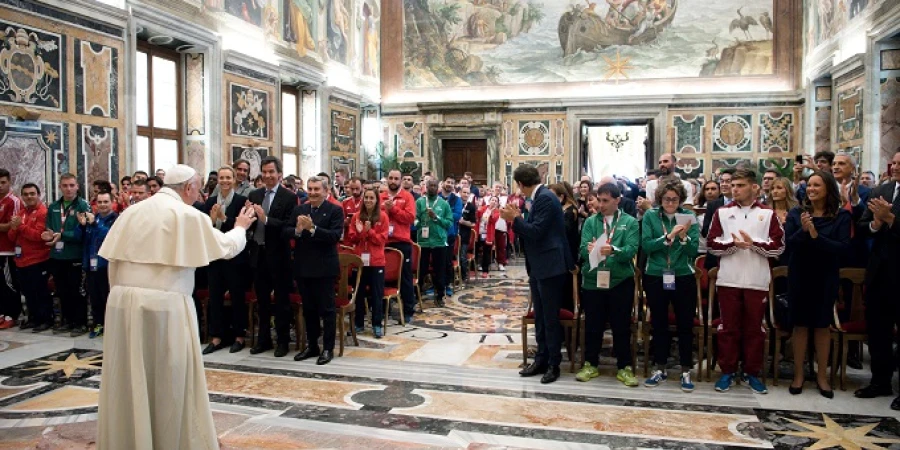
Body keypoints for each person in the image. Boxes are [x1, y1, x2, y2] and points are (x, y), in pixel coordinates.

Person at [97, 164, 255, 450]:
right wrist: (241, 228)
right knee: (168, 381)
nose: (200, 195)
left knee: (129, 378)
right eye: (197, 189)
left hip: (121, 304)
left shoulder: (131, 212)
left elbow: (113, 262)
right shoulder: (187, 214)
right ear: (188, 188)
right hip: (164, 306)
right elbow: (225, 248)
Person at [707, 168, 784, 395]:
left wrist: (754, 245)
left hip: (756, 280)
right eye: (733, 185)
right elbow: (711, 244)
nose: (735, 189)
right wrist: (732, 245)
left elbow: (778, 246)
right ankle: (727, 371)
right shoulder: (722, 212)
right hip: (729, 279)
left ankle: (752, 372)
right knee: (728, 328)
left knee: (754, 330)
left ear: (754, 187)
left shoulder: (768, 214)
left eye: (740, 185)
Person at [501, 165, 574, 384]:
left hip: (550, 266)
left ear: (521, 184)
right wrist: (520, 217)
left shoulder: (544, 198)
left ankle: (553, 363)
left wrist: (515, 219)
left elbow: (536, 232)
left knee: (549, 318)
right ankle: (541, 359)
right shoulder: (542, 197)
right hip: (541, 266)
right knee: (541, 317)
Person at [783, 170, 849, 398]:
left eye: (816, 185)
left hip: (825, 276)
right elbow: (788, 244)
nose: (811, 189)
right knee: (800, 326)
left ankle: (822, 376)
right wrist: (804, 231)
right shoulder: (796, 213)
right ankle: (799, 374)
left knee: (822, 326)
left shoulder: (840, 217)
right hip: (800, 274)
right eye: (809, 185)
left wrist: (815, 235)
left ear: (828, 189)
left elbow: (842, 248)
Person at [575, 186, 640, 387]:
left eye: (605, 201)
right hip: (594, 281)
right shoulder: (590, 222)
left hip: (620, 281)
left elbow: (630, 250)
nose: (600, 205)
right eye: (599, 200)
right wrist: (590, 251)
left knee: (621, 326)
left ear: (617, 200)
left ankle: (624, 367)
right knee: (593, 325)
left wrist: (614, 250)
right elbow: (582, 250)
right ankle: (590, 364)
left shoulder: (629, 222)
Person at [641, 180, 700, 392]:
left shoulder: (688, 217)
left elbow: (694, 251)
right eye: (667, 199)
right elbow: (647, 246)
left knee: (685, 323)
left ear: (681, 200)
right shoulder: (650, 216)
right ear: (660, 199)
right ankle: (660, 367)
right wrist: (668, 237)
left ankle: (685, 369)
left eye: (675, 199)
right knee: (659, 323)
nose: (670, 203)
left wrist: (683, 237)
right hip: (656, 274)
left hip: (683, 275)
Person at [854, 149, 900, 410]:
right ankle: (880, 381)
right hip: (879, 272)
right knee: (879, 331)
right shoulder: (880, 191)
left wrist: (891, 218)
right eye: (892, 163)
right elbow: (861, 227)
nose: (894, 167)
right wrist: (875, 224)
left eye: (899, 164)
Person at [288, 176, 343, 365]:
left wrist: (313, 229)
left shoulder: (335, 210)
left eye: (316, 189)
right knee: (309, 310)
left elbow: (335, 236)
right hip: (303, 267)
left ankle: (328, 348)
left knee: (327, 310)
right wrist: (296, 230)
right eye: (309, 189)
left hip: (324, 268)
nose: (312, 193)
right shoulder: (300, 209)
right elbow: (286, 232)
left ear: (326, 191)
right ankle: (312, 345)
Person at [247, 157, 297, 357]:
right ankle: (264, 339)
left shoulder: (289, 197)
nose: (267, 176)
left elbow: (287, 227)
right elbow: (251, 223)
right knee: (262, 301)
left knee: (282, 301)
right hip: (258, 254)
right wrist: (249, 218)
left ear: (279, 175)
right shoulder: (255, 194)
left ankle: (282, 341)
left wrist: (265, 219)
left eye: (271, 172)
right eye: (264, 172)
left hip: (279, 256)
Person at [202, 166, 250, 355]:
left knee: (237, 296)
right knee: (215, 296)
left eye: (228, 177)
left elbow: (243, 228)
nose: (224, 181)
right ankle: (216, 336)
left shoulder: (240, 201)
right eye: (221, 178)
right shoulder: (211, 201)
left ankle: (239, 336)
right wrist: (212, 220)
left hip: (235, 256)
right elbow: (205, 228)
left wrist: (225, 218)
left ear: (234, 180)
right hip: (215, 256)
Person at [44, 174, 91, 336]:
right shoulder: (54, 206)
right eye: (65, 185)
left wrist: (62, 235)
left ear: (77, 186)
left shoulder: (83, 206)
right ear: (60, 187)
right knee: (62, 290)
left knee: (76, 290)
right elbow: (49, 227)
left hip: (75, 255)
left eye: (71, 185)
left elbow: (84, 233)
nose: (68, 188)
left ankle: (80, 323)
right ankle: (67, 320)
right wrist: (48, 235)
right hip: (57, 255)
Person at [345, 187, 389, 338]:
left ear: (377, 200)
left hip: (376, 261)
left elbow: (381, 240)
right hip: (359, 261)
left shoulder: (383, 217)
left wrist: (368, 231)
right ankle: (358, 324)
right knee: (358, 294)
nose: (368, 200)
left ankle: (377, 324)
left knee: (377, 295)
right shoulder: (356, 216)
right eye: (366, 198)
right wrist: (360, 232)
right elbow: (352, 238)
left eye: (372, 198)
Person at [8, 184, 52, 332]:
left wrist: (20, 227)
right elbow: (11, 237)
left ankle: (45, 319)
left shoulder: (43, 212)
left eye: (32, 193)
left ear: (38, 194)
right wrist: (14, 228)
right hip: (22, 260)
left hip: (38, 259)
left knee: (40, 291)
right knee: (28, 292)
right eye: (26, 194)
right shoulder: (20, 213)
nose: (29, 197)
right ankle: (33, 318)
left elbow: (38, 236)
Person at [74, 191, 117, 339]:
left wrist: (95, 223)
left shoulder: (116, 219)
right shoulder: (93, 218)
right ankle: (99, 324)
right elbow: (78, 238)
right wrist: (81, 226)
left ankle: (111, 326)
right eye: (100, 202)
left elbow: (109, 236)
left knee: (107, 298)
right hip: (91, 266)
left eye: (106, 202)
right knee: (94, 298)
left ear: (112, 202)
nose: (103, 205)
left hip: (107, 266)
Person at [381, 169, 417, 322]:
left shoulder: (407, 197)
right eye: (391, 178)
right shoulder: (380, 196)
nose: (393, 181)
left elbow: (409, 218)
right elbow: (375, 215)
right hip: (383, 242)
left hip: (401, 242)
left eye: (396, 178)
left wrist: (393, 209)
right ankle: (383, 309)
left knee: (405, 277)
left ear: (401, 180)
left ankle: (409, 310)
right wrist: (384, 209)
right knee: (381, 277)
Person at [416, 178, 453, 307]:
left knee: (440, 271)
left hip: (439, 242)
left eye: (434, 186)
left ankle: (439, 296)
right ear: (426, 187)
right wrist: (418, 223)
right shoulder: (420, 202)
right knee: (421, 270)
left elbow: (449, 223)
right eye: (429, 185)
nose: (432, 188)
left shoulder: (444, 204)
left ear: (438, 188)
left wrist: (436, 218)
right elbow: (414, 219)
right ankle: (417, 294)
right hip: (423, 242)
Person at [0, 169, 21, 328]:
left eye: (3, 183)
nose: (0, 186)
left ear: (9, 182)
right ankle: (2, 312)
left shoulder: (12, 201)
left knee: (9, 283)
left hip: (8, 249)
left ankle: (12, 314)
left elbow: (12, 226)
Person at [439, 177, 463, 296]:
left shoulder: (456, 200)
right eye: (447, 182)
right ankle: (437, 285)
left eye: (452, 183)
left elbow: (457, 215)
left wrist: (440, 214)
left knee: (448, 261)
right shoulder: (436, 196)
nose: (449, 184)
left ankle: (447, 284)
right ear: (443, 183)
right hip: (436, 234)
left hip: (449, 234)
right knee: (436, 262)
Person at [476, 196, 502, 278]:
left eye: (495, 201)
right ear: (489, 201)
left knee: (486, 252)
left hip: (488, 234)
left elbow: (493, 220)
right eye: (492, 200)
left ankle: (485, 270)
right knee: (475, 250)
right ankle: (474, 268)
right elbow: (478, 215)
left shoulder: (497, 212)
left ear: (497, 203)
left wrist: (491, 211)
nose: (493, 201)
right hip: (479, 232)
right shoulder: (483, 208)